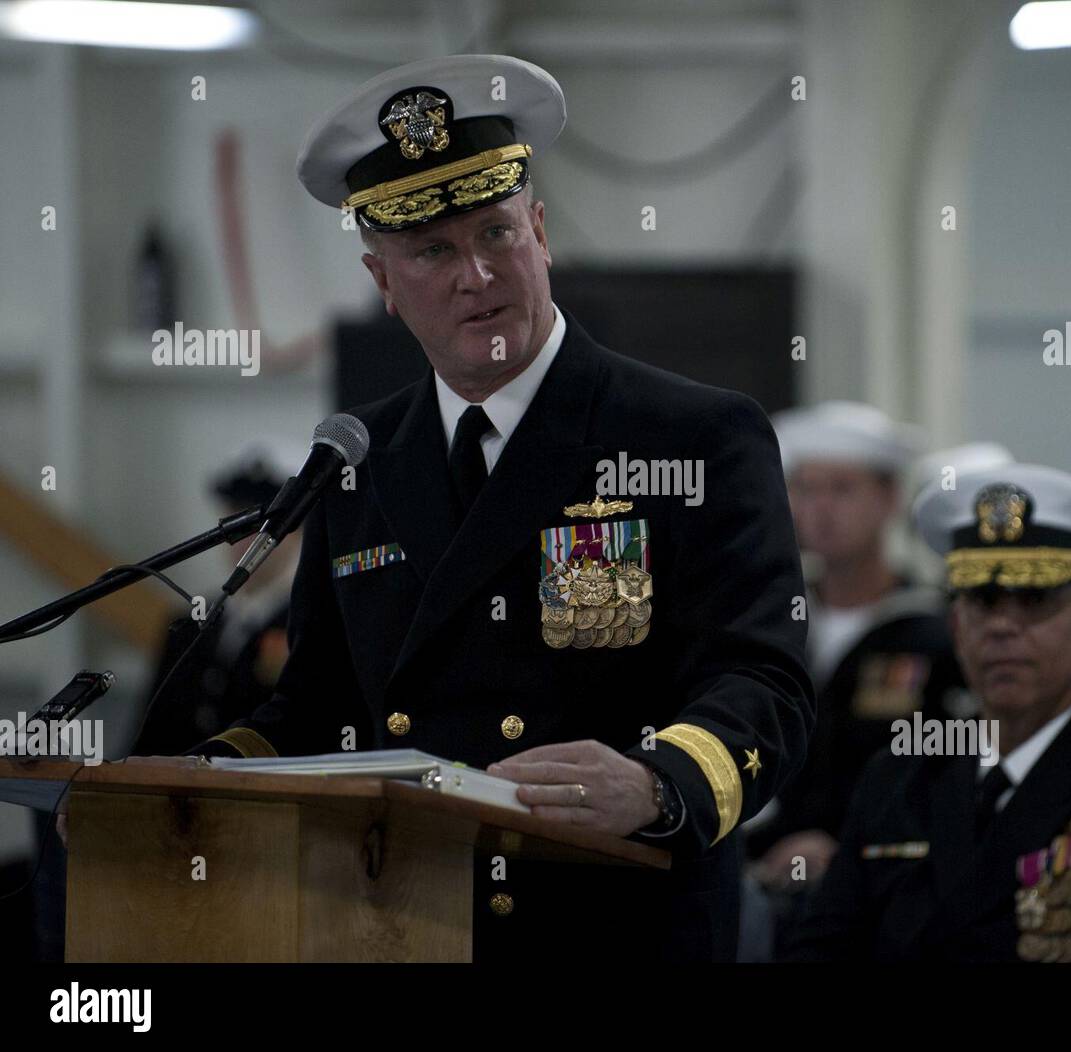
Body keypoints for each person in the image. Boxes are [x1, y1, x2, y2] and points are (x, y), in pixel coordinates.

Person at [184, 55, 814, 963]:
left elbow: (767, 683)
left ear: (542, 232)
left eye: (496, 234)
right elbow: (318, 709)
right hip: (405, 922)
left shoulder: (693, 434)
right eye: (433, 251)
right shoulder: (355, 458)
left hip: (615, 921)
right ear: (383, 283)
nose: (475, 275)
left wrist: (660, 780)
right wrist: (204, 777)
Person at [781, 463, 1071, 962]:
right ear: (957, 628)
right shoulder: (899, 777)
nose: (1003, 626)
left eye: (1035, 598)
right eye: (983, 600)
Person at [746, 404, 962, 885]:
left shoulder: (935, 630)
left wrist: (846, 848)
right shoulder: (771, 620)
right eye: (805, 488)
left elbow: (944, 776)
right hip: (760, 869)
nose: (821, 509)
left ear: (889, 498)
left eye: (843, 489)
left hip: (887, 879)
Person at [134, 446, 300, 756]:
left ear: (298, 528)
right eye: (236, 514)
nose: (246, 534)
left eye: (265, 517)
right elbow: (149, 737)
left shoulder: (311, 622)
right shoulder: (189, 624)